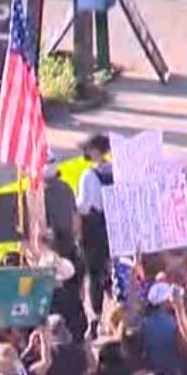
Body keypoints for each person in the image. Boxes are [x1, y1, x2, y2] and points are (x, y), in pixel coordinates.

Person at [74, 133, 113, 319]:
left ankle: (96, 315)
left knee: (95, 273)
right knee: (112, 268)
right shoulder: (116, 171)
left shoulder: (88, 176)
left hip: (94, 228)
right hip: (113, 225)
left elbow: (84, 205)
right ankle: (116, 307)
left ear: (96, 151)